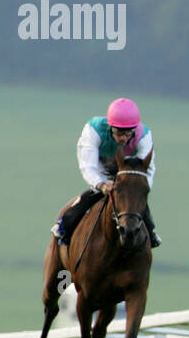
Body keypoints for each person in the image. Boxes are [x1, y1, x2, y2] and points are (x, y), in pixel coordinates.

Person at [53, 97, 159, 248]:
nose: (122, 138)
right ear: (110, 127)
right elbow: (88, 167)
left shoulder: (144, 137)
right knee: (96, 194)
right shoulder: (93, 130)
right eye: (118, 132)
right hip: (100, 163)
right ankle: (65, 226)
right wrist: (101, 185)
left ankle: (151, 232)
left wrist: (138, 188)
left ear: (135, 130)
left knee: (133, 198)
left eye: (128, 133)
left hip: (127, 167)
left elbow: (146, 171)